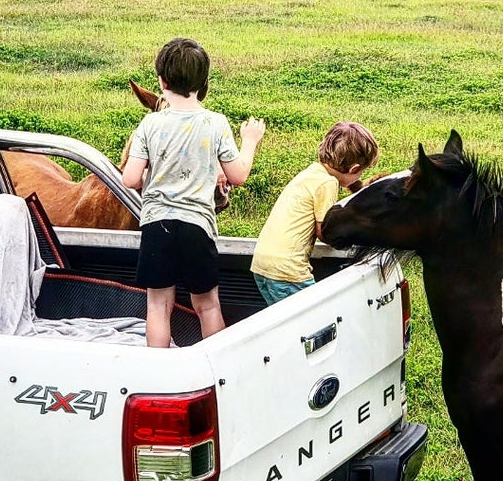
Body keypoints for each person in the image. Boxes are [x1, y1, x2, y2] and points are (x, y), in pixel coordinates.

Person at [122, 38, 265, 347]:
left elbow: (130, 179)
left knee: (159, 307)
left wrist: (153, 172)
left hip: (157, 226)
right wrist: (250, 141)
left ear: (161, 81)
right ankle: (216, 374)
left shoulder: (149, 124)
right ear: (205, 84)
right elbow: (237, 176)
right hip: (197, 228)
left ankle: (158, 376)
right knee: (208, 305)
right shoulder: (216, 123)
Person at [250, 122, 378, 305]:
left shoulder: (312, 173)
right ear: (354, 169)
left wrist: (361, 190)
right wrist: (354, 238)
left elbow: (349, 184)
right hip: (289, 271)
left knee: (288, 325)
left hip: (263, 266)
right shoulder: (328, 183)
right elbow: (325, 231)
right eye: (362, 172)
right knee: (316, 319)